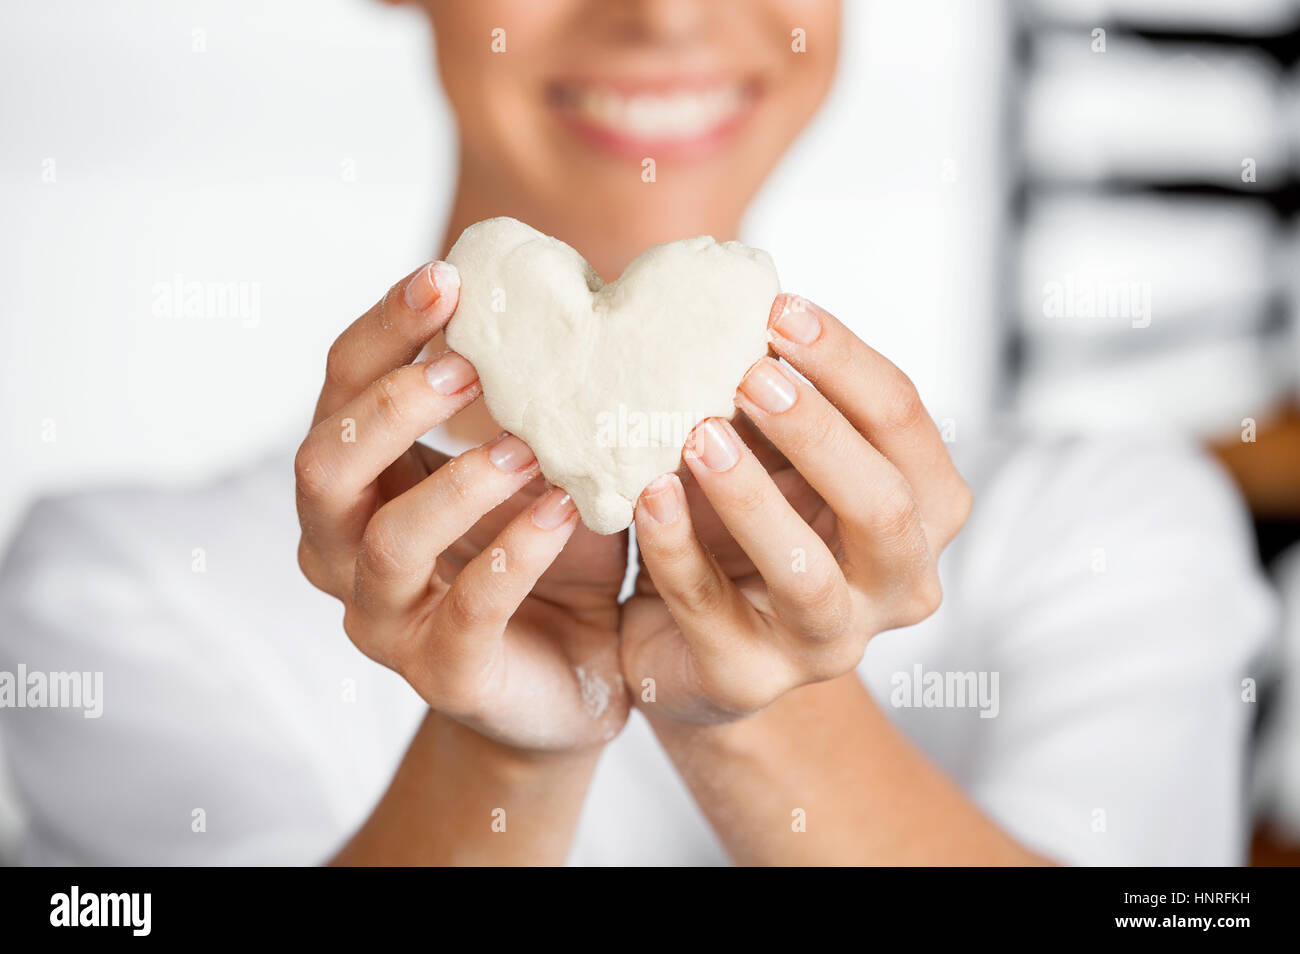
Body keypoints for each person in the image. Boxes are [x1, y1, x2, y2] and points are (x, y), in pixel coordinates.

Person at [0, 0, 1275, 865]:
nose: (664, 12)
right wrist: (502, 746)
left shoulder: (1110, 531)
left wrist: (755, 710)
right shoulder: (124, 593)